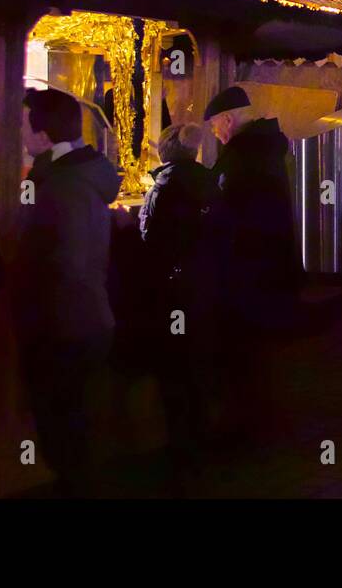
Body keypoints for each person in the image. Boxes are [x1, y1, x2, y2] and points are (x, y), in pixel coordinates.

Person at [14, 87, 122, 496]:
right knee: (72, 423)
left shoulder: (63, 185)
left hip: (65, 323)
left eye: (24, 123)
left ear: (42, 134)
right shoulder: (78, 175)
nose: (20, 131)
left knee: (65, 427)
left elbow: (70, 261)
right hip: (85, 318)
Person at [203, 85, 301, 446]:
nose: (215, 133)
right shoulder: (266, 147)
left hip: (247, 273)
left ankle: (245, 432)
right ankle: (261, 425)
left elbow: (222, 212)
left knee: (242, 356)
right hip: (268, 269)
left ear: (228, 120)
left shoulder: (241, 157)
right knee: (258, 357)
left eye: (215, 125)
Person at [136, 123, 220, 484]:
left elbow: (152, 245)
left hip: (173, 293)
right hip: (202, 289)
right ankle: (199, 448)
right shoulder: (211, 182)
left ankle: (179, 455)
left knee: (174, 372)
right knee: (196, 369)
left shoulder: (164, 188)